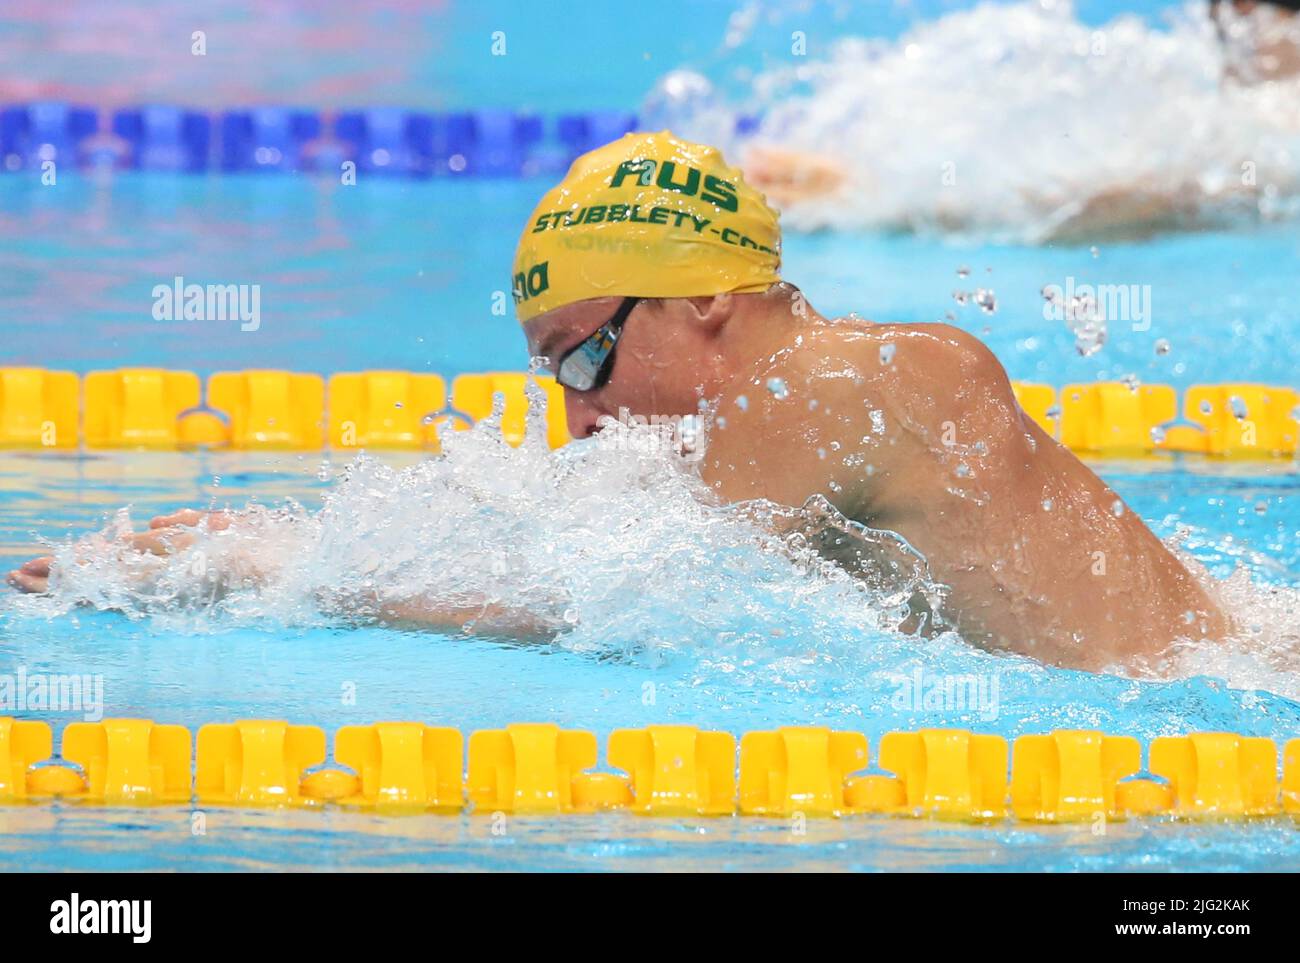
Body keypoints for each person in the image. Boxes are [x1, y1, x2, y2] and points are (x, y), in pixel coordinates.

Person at [9, 132, 1228, 671]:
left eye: (579, 359)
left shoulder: (832, 386)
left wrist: (271, 567)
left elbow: (596, 604)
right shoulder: (852, 388)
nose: (576, 418)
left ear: (697, 301)